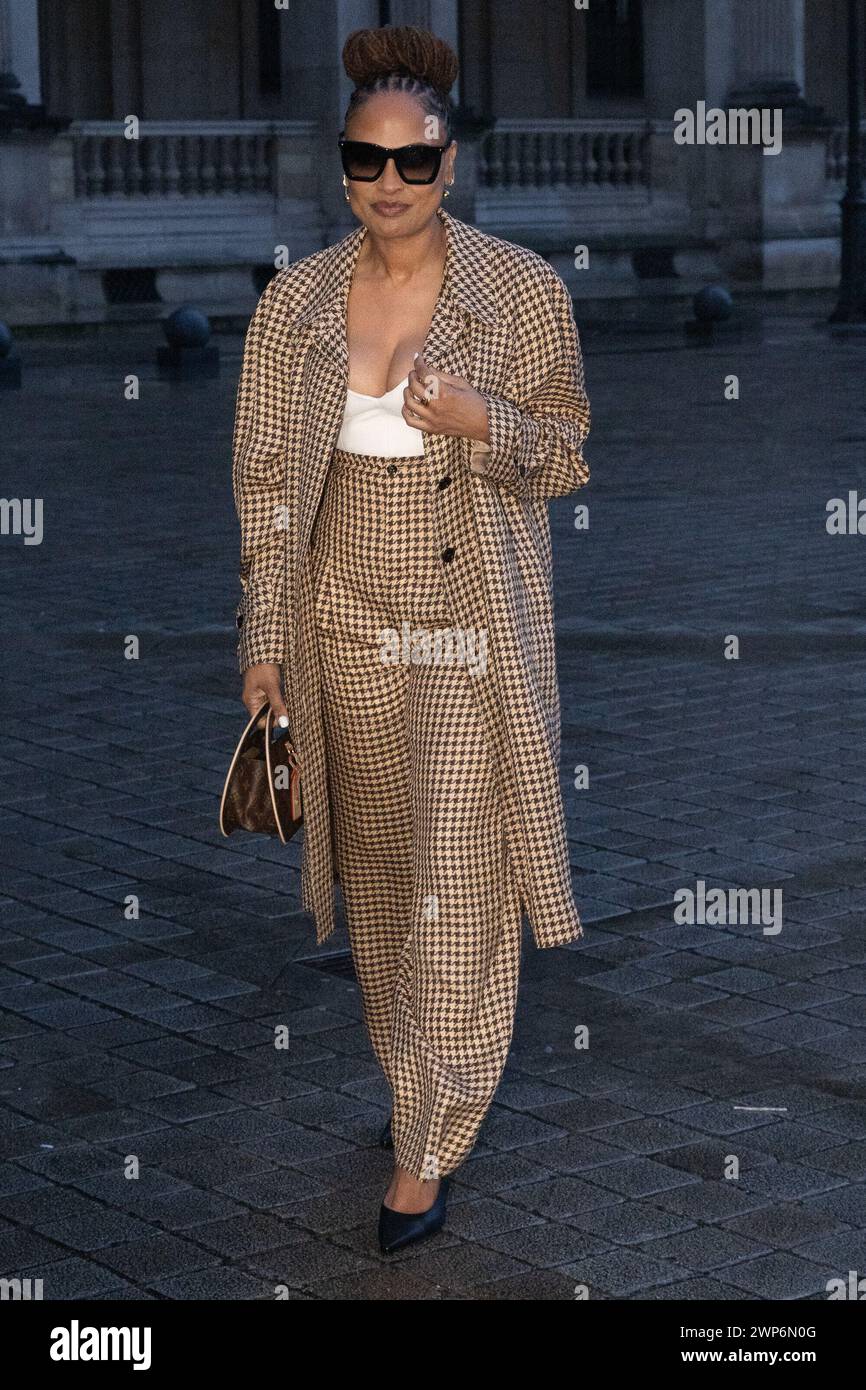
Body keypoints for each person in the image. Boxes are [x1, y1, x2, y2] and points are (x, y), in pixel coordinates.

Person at [232, 24, 591, 1255]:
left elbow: (568, 452)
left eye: (414, 165)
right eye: (365, 163)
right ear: (342, 167)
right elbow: (269, 481)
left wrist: (485, 417)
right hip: (341, 625)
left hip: (467, 627)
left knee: (458, 886)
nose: (388, 187)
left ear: (452, 164)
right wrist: (265, 633)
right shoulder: (294, 304)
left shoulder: (521, 291)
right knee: (381, 884)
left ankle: (428, 1142)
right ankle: (410, 1080)